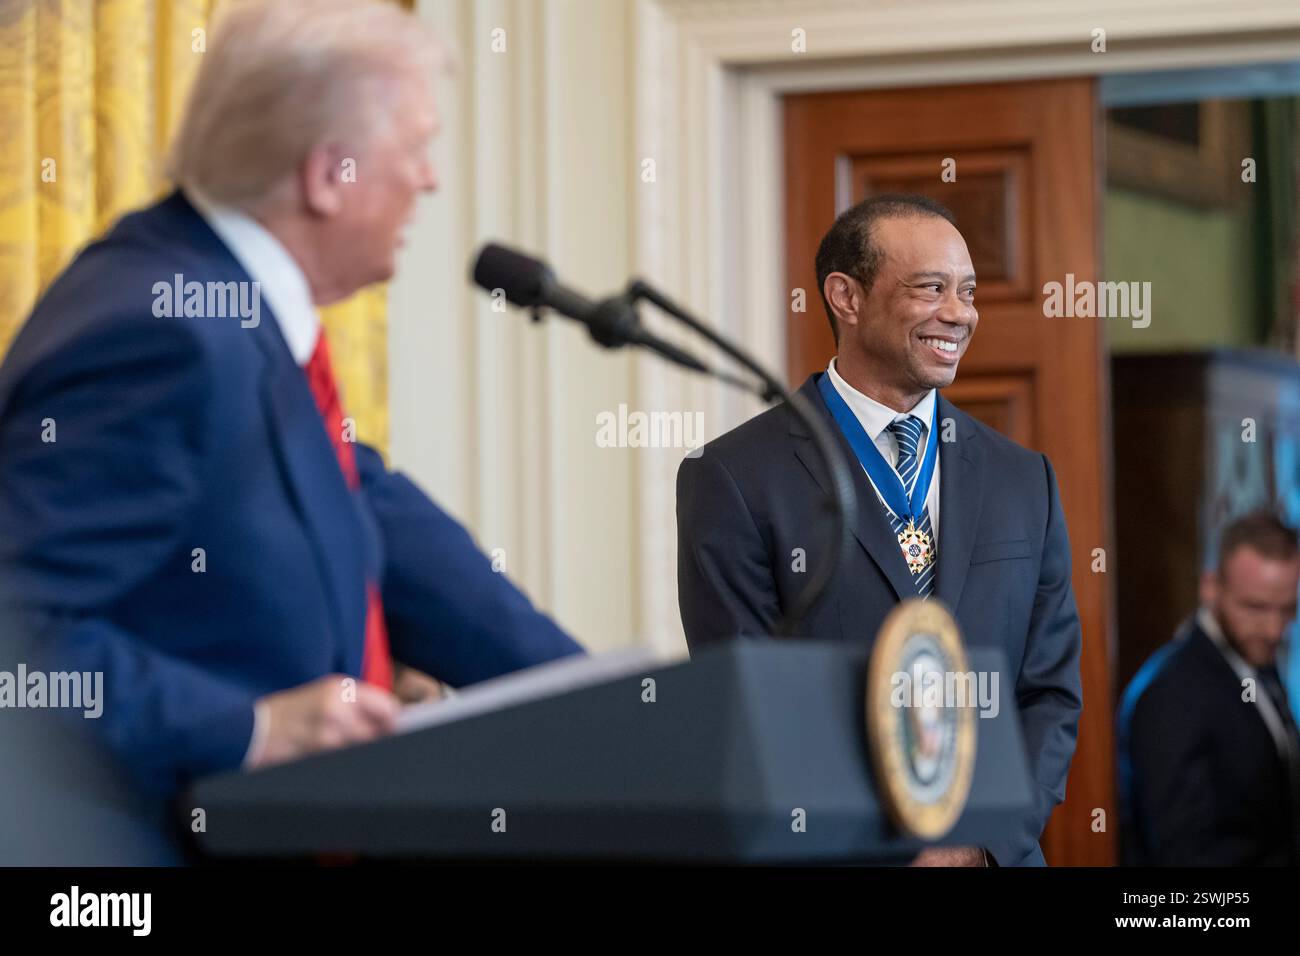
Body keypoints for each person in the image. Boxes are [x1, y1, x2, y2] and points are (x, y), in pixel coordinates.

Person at [0, 0, 582, 818]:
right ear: (327, 173)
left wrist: (609, 697)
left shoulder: (241, 312)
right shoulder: (163, 330)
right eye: (415, 148)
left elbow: (381, 523)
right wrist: (245, 728)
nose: (430, 178)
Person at [676, 194, 1082, 866]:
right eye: (931, 288)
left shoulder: (1023, 481)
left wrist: (981, 844)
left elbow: (1050, 693)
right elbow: (747, 709)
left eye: (968, 291)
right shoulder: (735, 477)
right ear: (846, 296)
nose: (959, 312)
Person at [1118, 510, 1300, 865]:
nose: (1275, 629)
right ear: (1211, 587)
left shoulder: (1254, 657)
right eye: (1256, 608)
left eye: (1288, 610)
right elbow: (1186, 855)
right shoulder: (1171, 690)